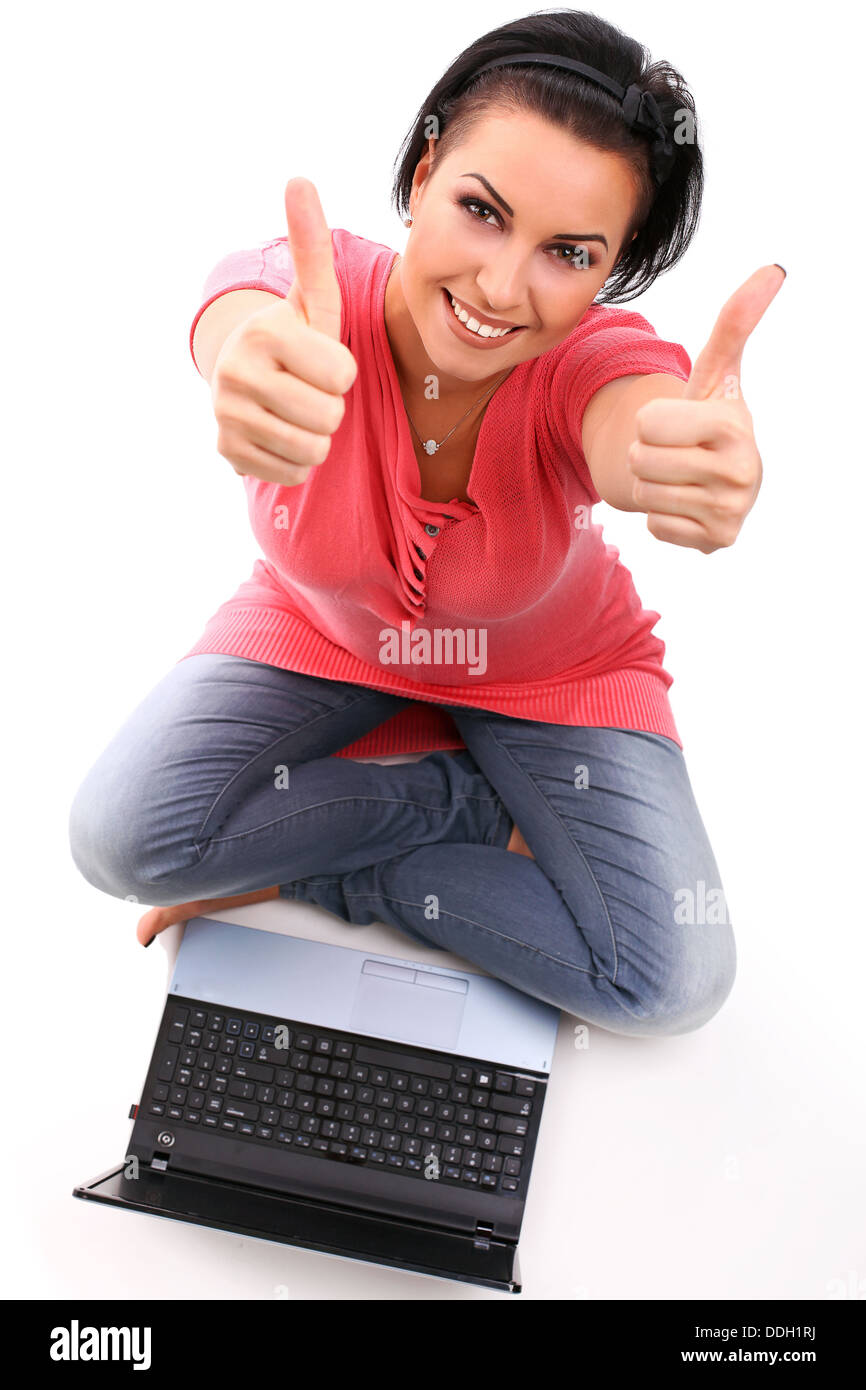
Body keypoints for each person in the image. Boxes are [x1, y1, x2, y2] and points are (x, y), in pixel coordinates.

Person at [68, 11, 783, 1037]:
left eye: (568, 253)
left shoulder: (588, 362)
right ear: (423, 167)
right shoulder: (305, 307)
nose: (499, 287)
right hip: (322, 641)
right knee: (120, 842)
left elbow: (632, 417)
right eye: (481, 211)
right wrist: (245, 365)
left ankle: (393, 844)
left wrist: (672, 460)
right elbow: (243, 319)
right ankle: (468, 806)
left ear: (609, 272)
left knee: (667, 981)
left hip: (554, 680)